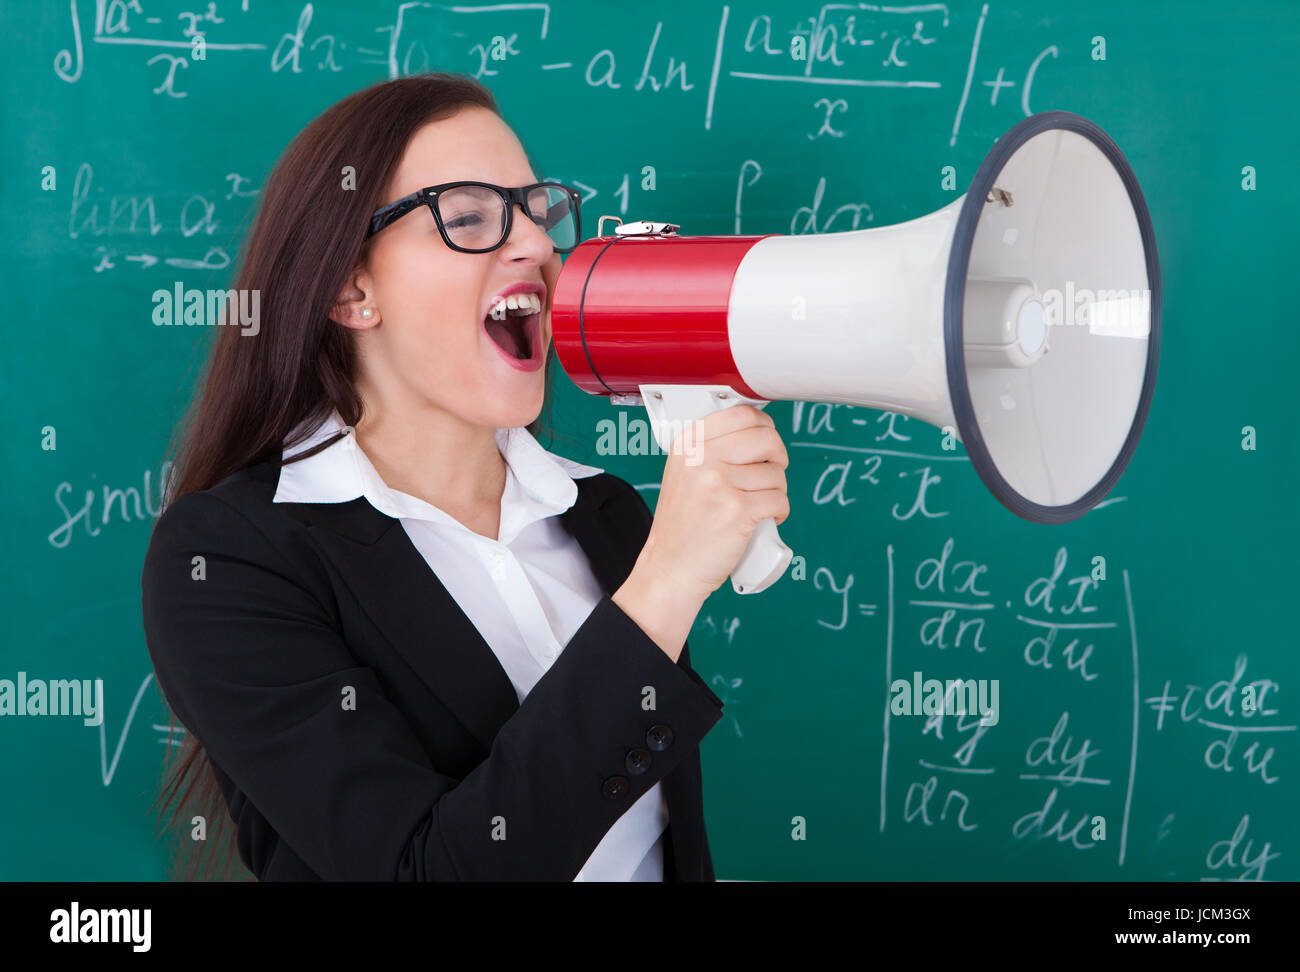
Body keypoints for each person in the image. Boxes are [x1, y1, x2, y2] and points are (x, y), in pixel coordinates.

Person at [141, 72, 789, 882]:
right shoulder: (229, 561)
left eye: (537, 211)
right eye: (471, 216)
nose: (537, 246)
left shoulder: (605, 515)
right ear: (350, 288)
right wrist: (664, 586)